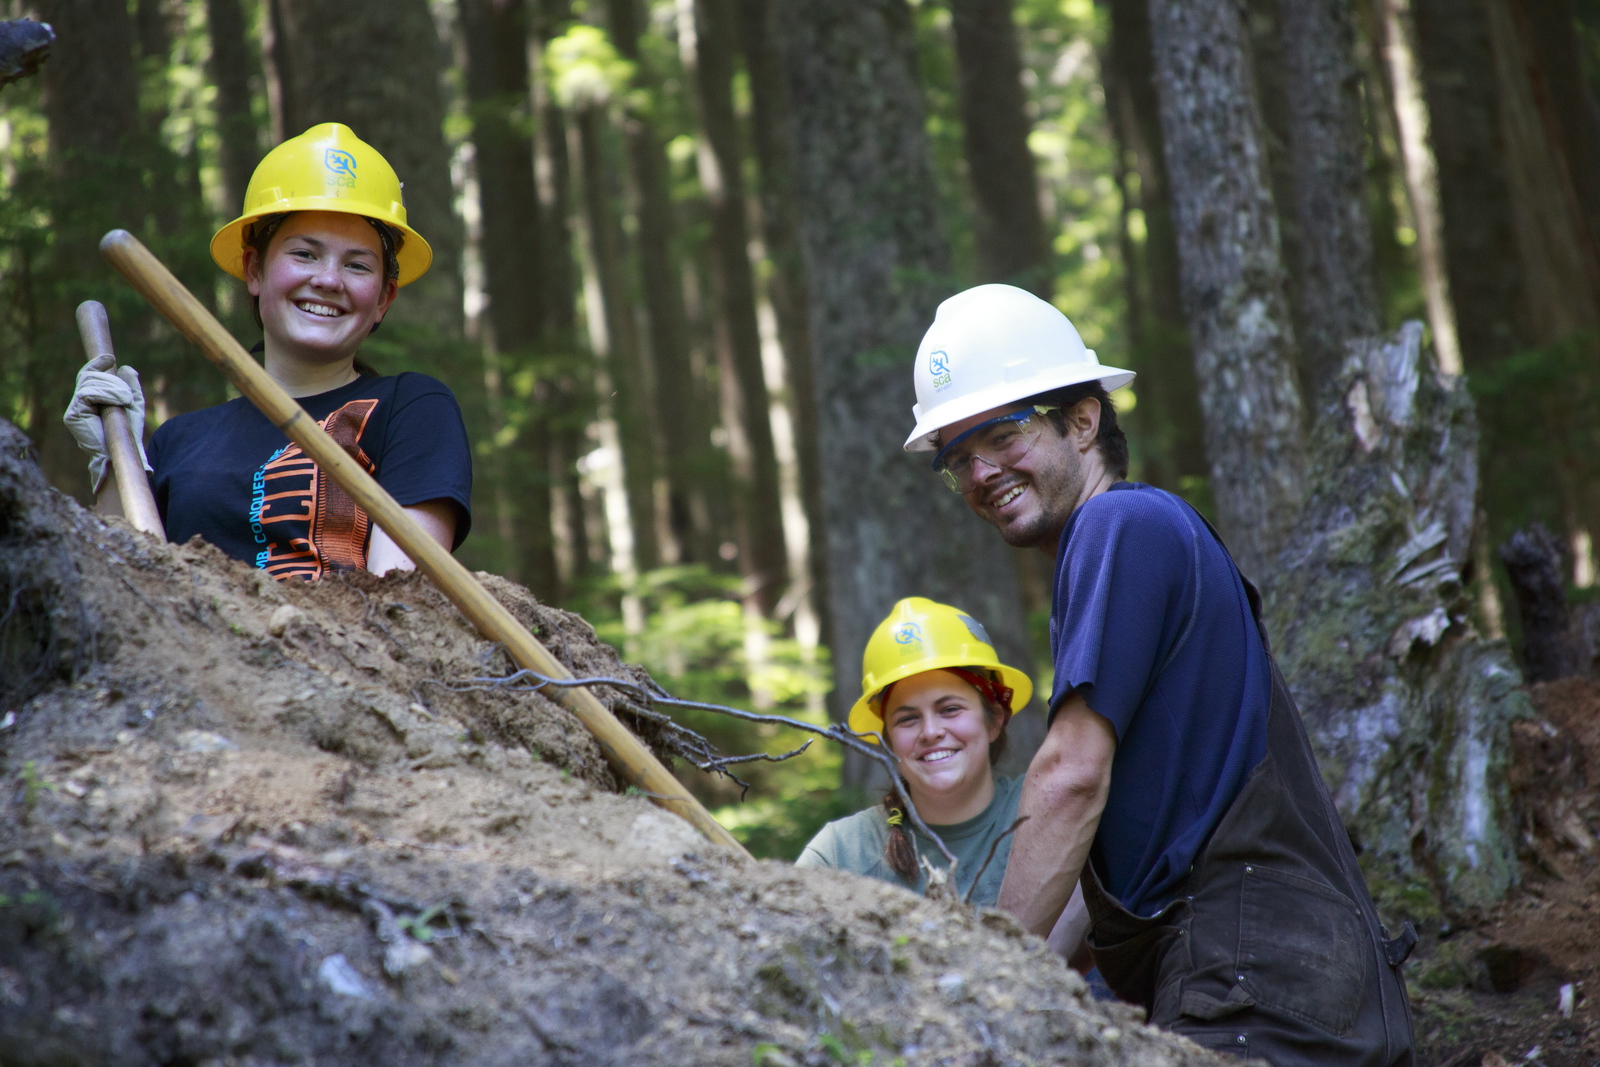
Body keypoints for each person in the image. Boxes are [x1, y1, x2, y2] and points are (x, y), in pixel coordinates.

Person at [902, 283, 1415, 1064]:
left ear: (1083, 419)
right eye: (956, 458)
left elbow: (1070, 776)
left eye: (1002, 435)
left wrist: (972, 971)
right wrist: (1011, 982)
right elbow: (1089, 855)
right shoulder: (1130, 549)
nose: (980, 472)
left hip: (1260, 994)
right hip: (1273, 988)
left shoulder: (1119, 526)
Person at [64, 122, 471, 580]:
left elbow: (401, 603)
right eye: (305, 254)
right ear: (255, 269)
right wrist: (116, 463)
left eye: (357, 265)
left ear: (383, 299)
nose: (329, 280)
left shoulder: (411, 409)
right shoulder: (177, 443)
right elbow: (129, 596)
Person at [796, 597, 1034, 907]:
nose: (930, 731)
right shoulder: (841, 852)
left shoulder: (1043, 810)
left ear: (994, 720)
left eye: (949, 709)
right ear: (889, 741)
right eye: (908, 718)